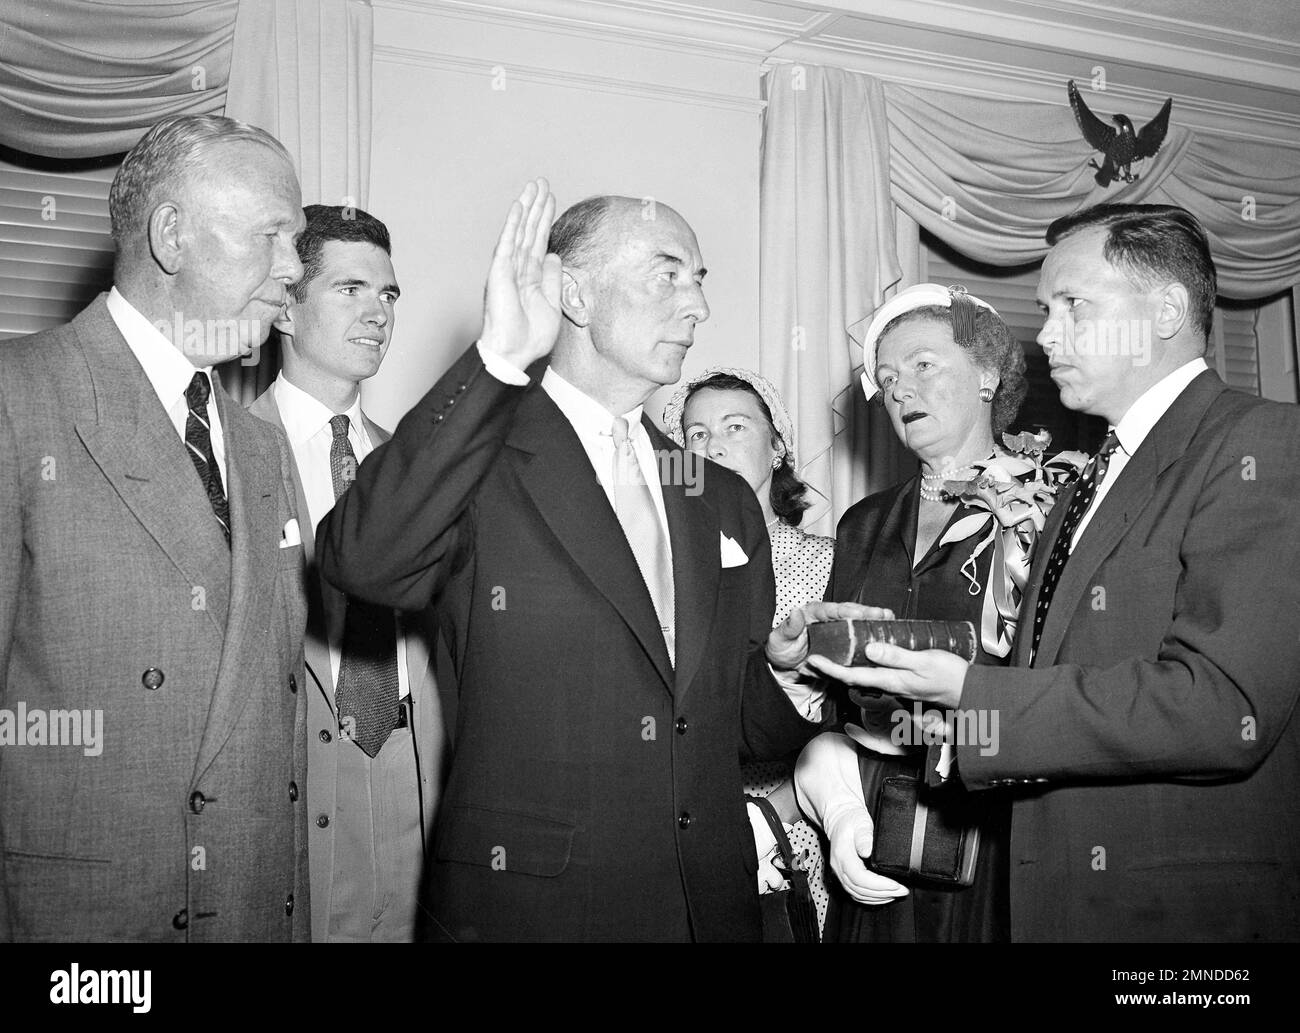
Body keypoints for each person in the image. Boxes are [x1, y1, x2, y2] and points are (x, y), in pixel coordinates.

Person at [316, 182, 861, 942]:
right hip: (533, 912)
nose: (697, 306)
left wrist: (795, 677)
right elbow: (364, 559)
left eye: (700, 281)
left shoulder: (723, 498)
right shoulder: (483, 457)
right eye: (667, 273)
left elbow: (727, 731)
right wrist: (499, 357)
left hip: (712, 912)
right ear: (574, 292)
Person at [810, 205, 1300, 942]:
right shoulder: (1084, 482)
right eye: (1046, 311)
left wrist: (973, 694)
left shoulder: (1260, 441)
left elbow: (1223, 706)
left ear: (1165, 310)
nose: (1045, 336)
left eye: (1074, 306)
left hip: (1177, 918)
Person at [0, 114, 310, 941]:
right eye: (274, 236)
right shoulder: (18, 399)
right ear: (171, 235)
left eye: (299, 240)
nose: (294, 270)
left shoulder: (256, 442)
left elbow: (275, 740)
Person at [795, 284, 1035, 943]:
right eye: (889, 377)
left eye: (924, 364)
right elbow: (831, 697)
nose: (901, 389)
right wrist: (838, 806)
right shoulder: (865, 523)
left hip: (993, 818)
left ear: (986, 373)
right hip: (873, 817)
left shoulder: (1043, 505)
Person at [248, 204, 449, 942]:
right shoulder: (232, 457)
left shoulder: (420, 468)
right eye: (350, 288)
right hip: (291, 780)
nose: (378, 313)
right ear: (285, 309)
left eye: (389, 294)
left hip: (413, 776)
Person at [664, 367, 834, 935]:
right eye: (695, 434)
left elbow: (854, 722)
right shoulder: (656, 565)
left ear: (778, 446)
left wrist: (772, 815)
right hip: (677, 832)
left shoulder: (830, 564)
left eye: (736, 427)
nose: (712, 446)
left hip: (790, 829)